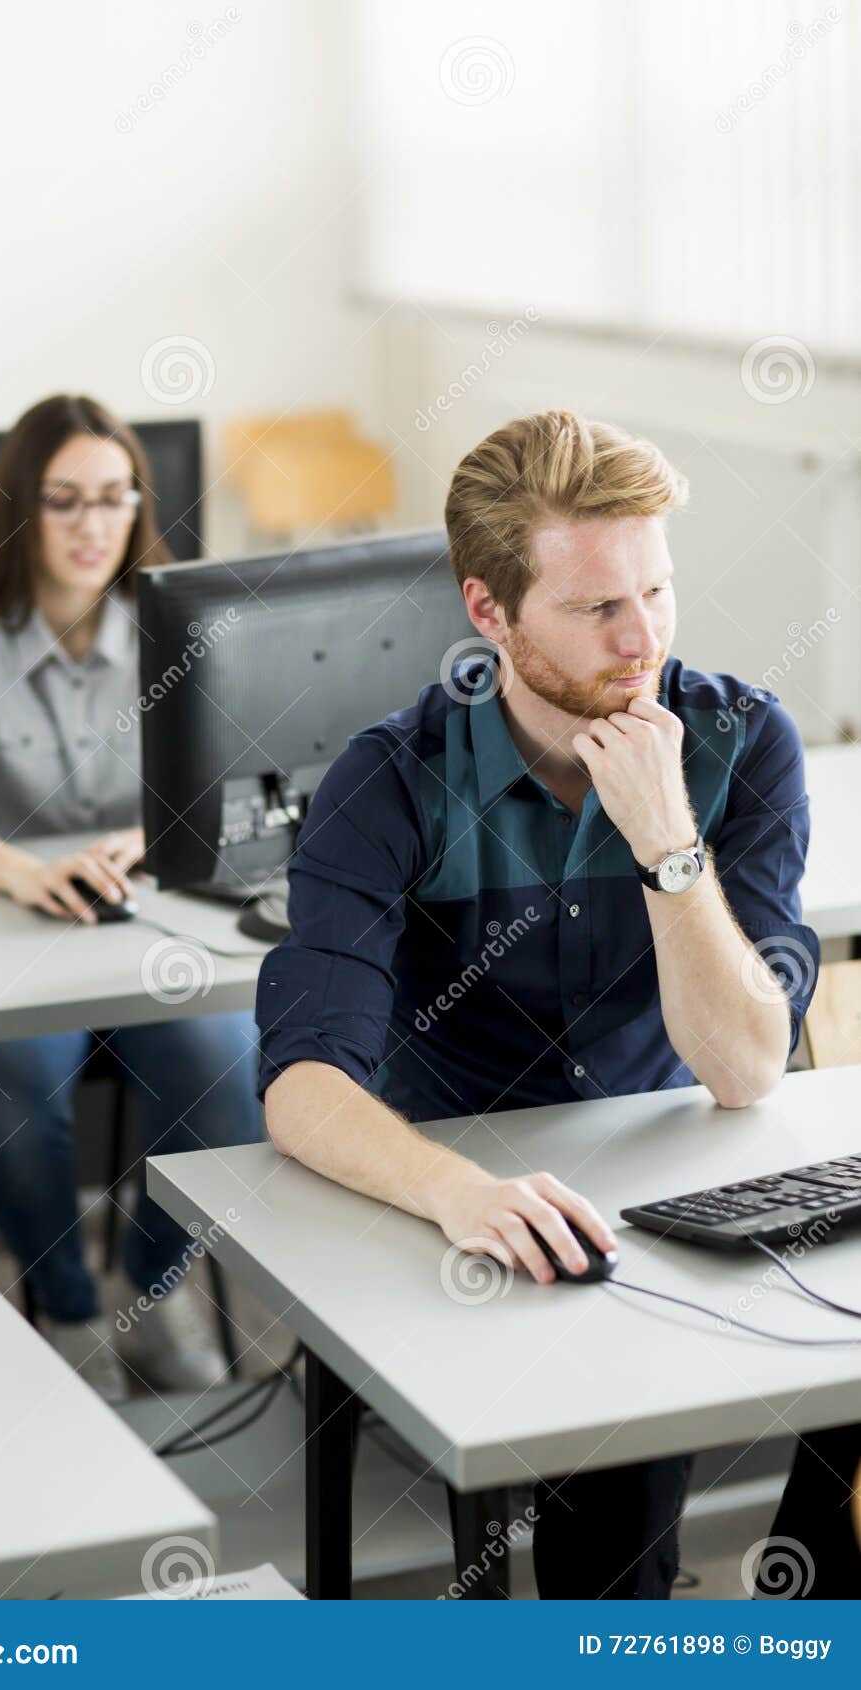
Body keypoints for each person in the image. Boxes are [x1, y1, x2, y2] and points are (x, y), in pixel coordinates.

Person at [256, 409, 859, 1598]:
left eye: (656, 591)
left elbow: (744, 1067)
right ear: (488, 610)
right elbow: (302, 1086)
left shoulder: (741, 740)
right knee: (606, 1553)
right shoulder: (388, 781)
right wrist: (458, 1192)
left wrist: (666, 843)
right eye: (595, 608)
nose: (642, 640)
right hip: (483, 1200)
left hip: (680, 1175)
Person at [0, 393, 263, 1402]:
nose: (93, 524)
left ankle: (152, 1293)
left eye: (112, 497)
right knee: (14, 1084)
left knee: (230, 1070)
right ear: (23, 508)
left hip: (141, 933)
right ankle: (68, 1313)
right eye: (65, 501)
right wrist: (21, 869)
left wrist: (155, 835)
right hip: (10, 934)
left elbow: (229, 781)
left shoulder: (171, 628)